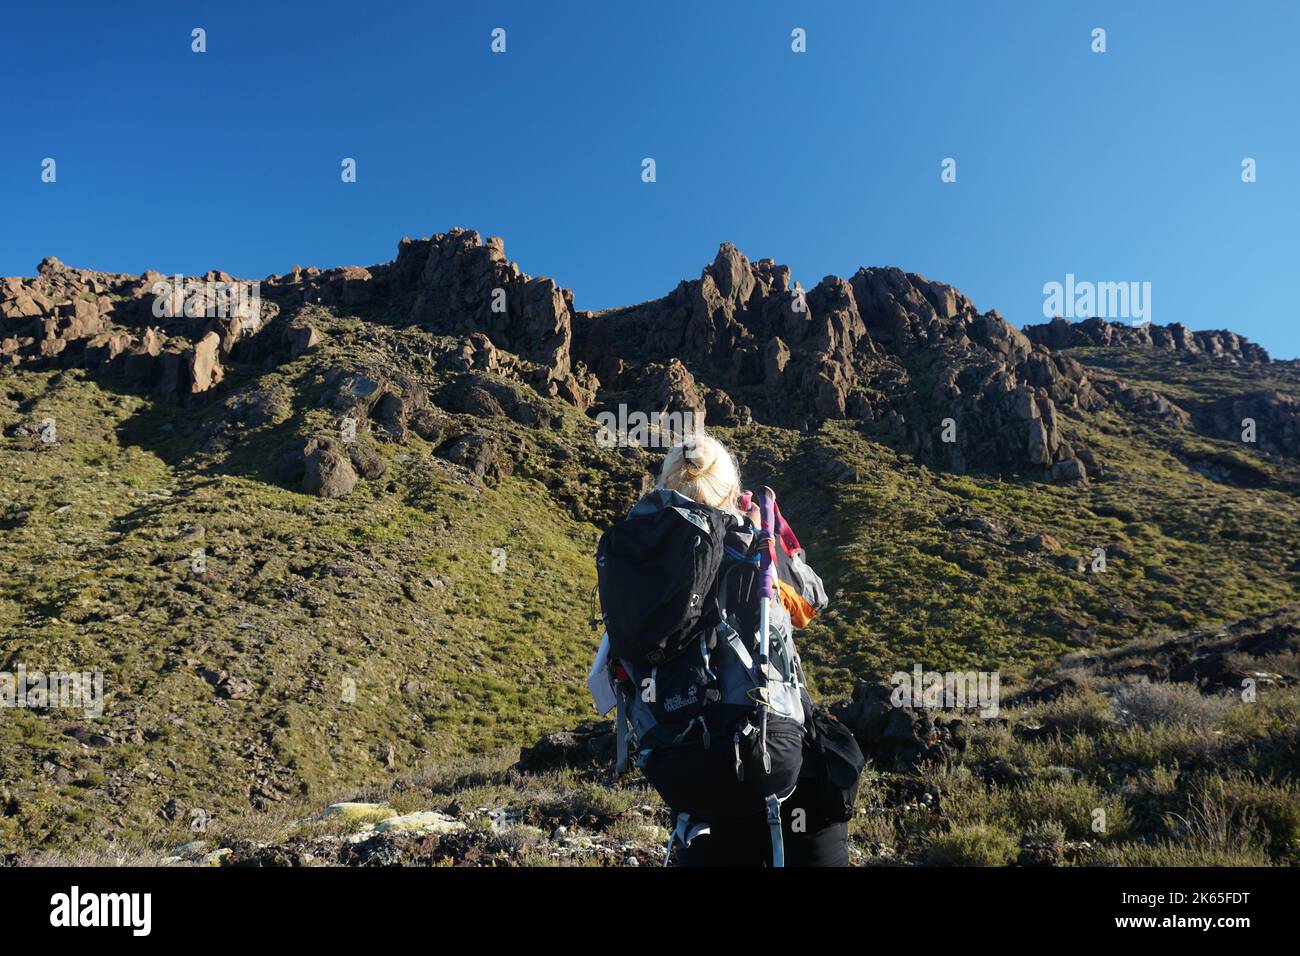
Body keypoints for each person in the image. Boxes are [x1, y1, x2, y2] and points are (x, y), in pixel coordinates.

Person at [648, 432, 850, 866]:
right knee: (830, 770)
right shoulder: (753, 543)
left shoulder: (647, 565)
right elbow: (812, 602)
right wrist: (768, 533)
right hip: (770, 757)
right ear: (731, 489)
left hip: (681, 766)